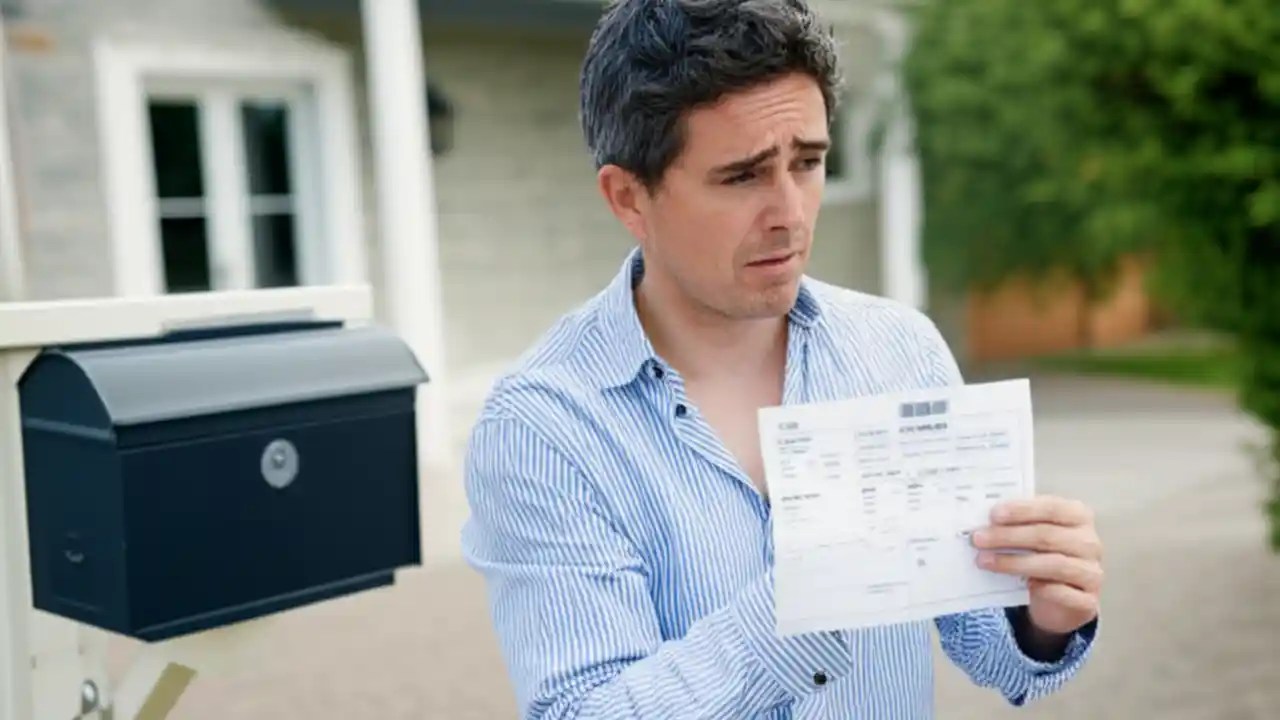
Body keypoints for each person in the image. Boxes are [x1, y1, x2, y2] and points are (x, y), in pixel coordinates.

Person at [460, 0, 1103, 717]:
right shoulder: (544, 429)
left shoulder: (900, 351)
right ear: (627, 197)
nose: (790, 213)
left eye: (809, 162)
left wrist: (1043, 615)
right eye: (742, 177)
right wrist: (806, 596)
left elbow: (986, 642)